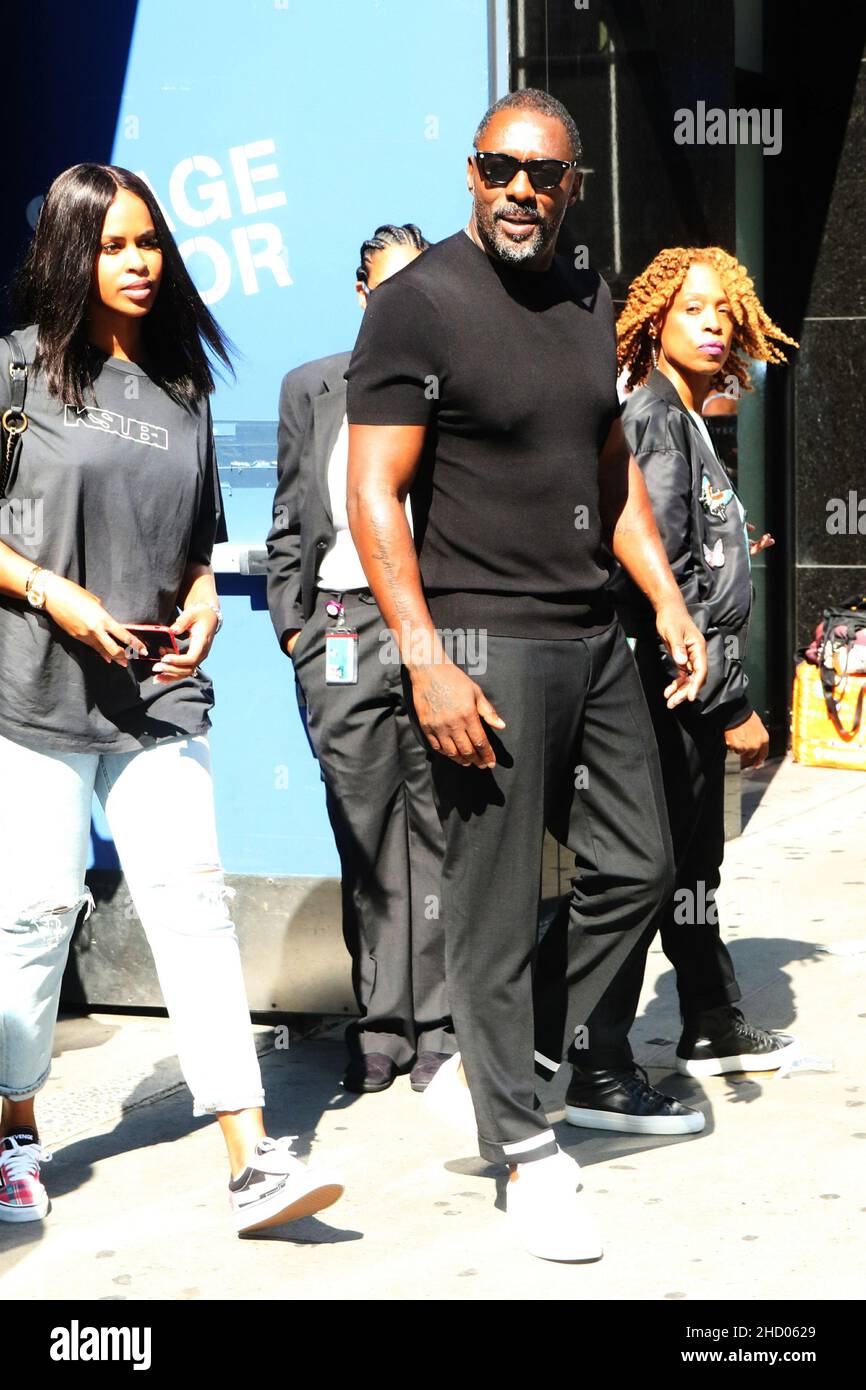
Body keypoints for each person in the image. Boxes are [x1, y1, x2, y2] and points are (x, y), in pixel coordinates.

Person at [345, 89, 709, 1263]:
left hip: (593, 634)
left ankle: (516, 1046)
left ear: (571, 188)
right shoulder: (416, 305)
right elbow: (371, 494)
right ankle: (522, 1146)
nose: (519, 190)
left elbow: (609, 471)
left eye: (542, 175)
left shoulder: (590, 294)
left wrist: (660, 596)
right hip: (478, 644)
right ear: (470, 172)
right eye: (500, 168)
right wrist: (424, 664)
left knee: (642, 863)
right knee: (492, 908)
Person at [0, 164, 343, 1234]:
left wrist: (201, 598)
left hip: (158, 692)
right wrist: (50, 591)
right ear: (69, 252)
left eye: (149, 242)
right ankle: (16, 1130)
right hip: (33, 687)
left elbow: (197, 541)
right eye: (113, 245)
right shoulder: (15, 373)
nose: (140, 262)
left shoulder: (184, 387)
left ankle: (251, 1157)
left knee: (193, 906)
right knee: (33, 917)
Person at [598, 245, 800, 1080]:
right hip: (667, 693)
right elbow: (660, 584)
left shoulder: (685, 417)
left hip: (682, 692)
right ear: (653, 322)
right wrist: (732, 705)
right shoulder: (653, 417)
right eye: (693, 310)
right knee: (647, 876)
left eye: (725, 311)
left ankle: (710, 1019)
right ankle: (571, 1045)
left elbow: (689, 551)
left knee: (690, 866)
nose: (715, 325)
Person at [266, 224, 455, 1096]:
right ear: (360, 295)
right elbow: (288, 523)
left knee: (442, 828)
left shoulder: (454, 385)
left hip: (436, 632)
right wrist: (295, 630)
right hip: (339, 629)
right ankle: (380, 1024)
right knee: (364, 828)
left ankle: (443, 1023)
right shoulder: (312, 387)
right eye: (389, 290)